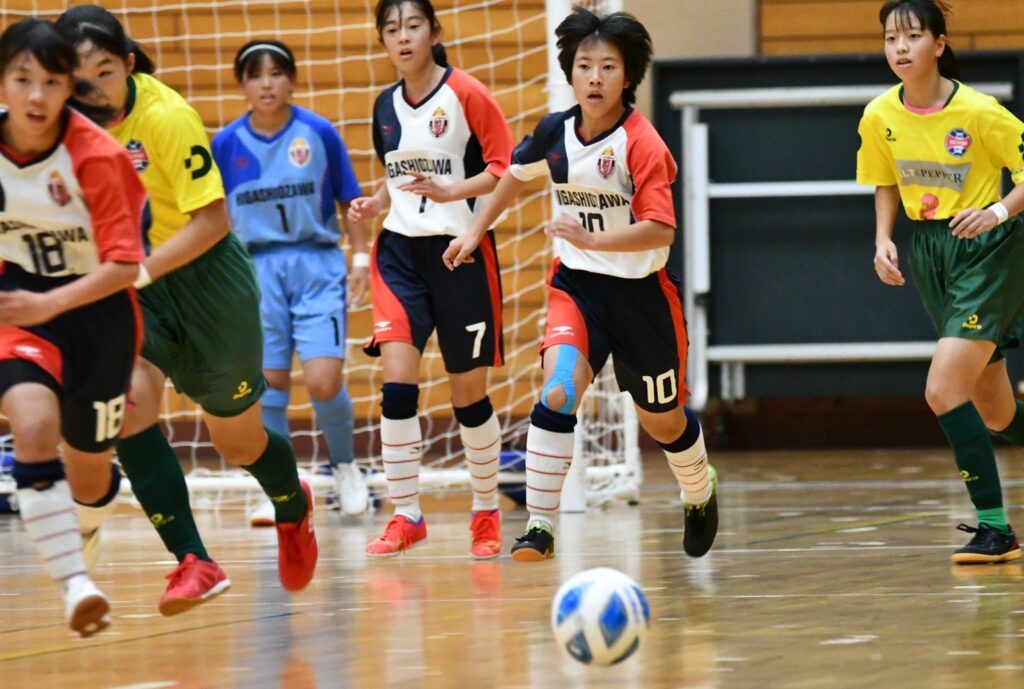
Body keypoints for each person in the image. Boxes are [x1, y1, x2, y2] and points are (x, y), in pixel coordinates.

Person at [56, 4, 317, 614]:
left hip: (205, 280)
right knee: (127, 406)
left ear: (128, 64)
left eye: (104, 72)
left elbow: (213, 220)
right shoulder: (60, 128)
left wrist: (139, 268)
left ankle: (292, 502)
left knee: (238, 443)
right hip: (132, 287)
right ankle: (193, 560)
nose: (93, 88)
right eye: (79, 77)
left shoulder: (166, 117)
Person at [444, 6, 719, 561]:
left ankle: (698, 489)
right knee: (558, 390)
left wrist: (593, 237)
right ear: (570, 72)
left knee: (663, 422)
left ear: (629, 76)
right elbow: (513, 176)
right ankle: (540, 525)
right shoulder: (554, 131)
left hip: (642, 297)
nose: (595, 77)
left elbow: (661, 229)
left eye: (608, 67)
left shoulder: (643, 143)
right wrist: (475, 231)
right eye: (585, 66)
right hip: (577, 289)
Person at [857, 0, 1024, 563]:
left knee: (942, 391)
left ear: (940, 44)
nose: (900, 47)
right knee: (997, 412)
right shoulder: (879, 115)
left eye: (912, 36)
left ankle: (996, 528)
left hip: (987, 250)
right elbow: (884, 180)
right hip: (930, 250)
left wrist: (997, 212)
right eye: (890, 38)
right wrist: (883, 238)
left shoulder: (979, 111)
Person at [347, 0, 514, 559]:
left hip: (459, 253)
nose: (403, 37)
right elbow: (398, 173)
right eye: (392, 29)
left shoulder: (467, 93)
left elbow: (505, 170)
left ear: (434, 32)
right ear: (382, 40)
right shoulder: (384, 104)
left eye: (413, 25)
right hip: (399, 255)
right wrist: (374, 203)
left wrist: (451, 192)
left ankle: (485, 511)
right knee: (397, 385)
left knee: (468, 397)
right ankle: (406, 515)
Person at [0, 17, 147, 636]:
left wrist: (52, 305)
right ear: (2, 84)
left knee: (89, 472)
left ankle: (84, 525)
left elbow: (126, 267)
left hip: (98, 312)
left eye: (52, 82)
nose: (36, 96)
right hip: (19, 307)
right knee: (34, 427)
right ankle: (76, 586)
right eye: (22, 79)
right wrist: (32, 307)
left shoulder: (99, 156)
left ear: (68, 88)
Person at [212, 40, 370, 523]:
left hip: (316, 264)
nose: (266, 84)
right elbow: (213, 217)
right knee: (270, 381)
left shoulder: (318, 132)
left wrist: (361, 258)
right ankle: (278, 486)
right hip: (254, 270)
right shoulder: (225, 144)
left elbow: (349, 199)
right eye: (255, 75)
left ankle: (346, 468)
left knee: (323, 380)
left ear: (292, 81)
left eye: (276, 73)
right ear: (242, 85)